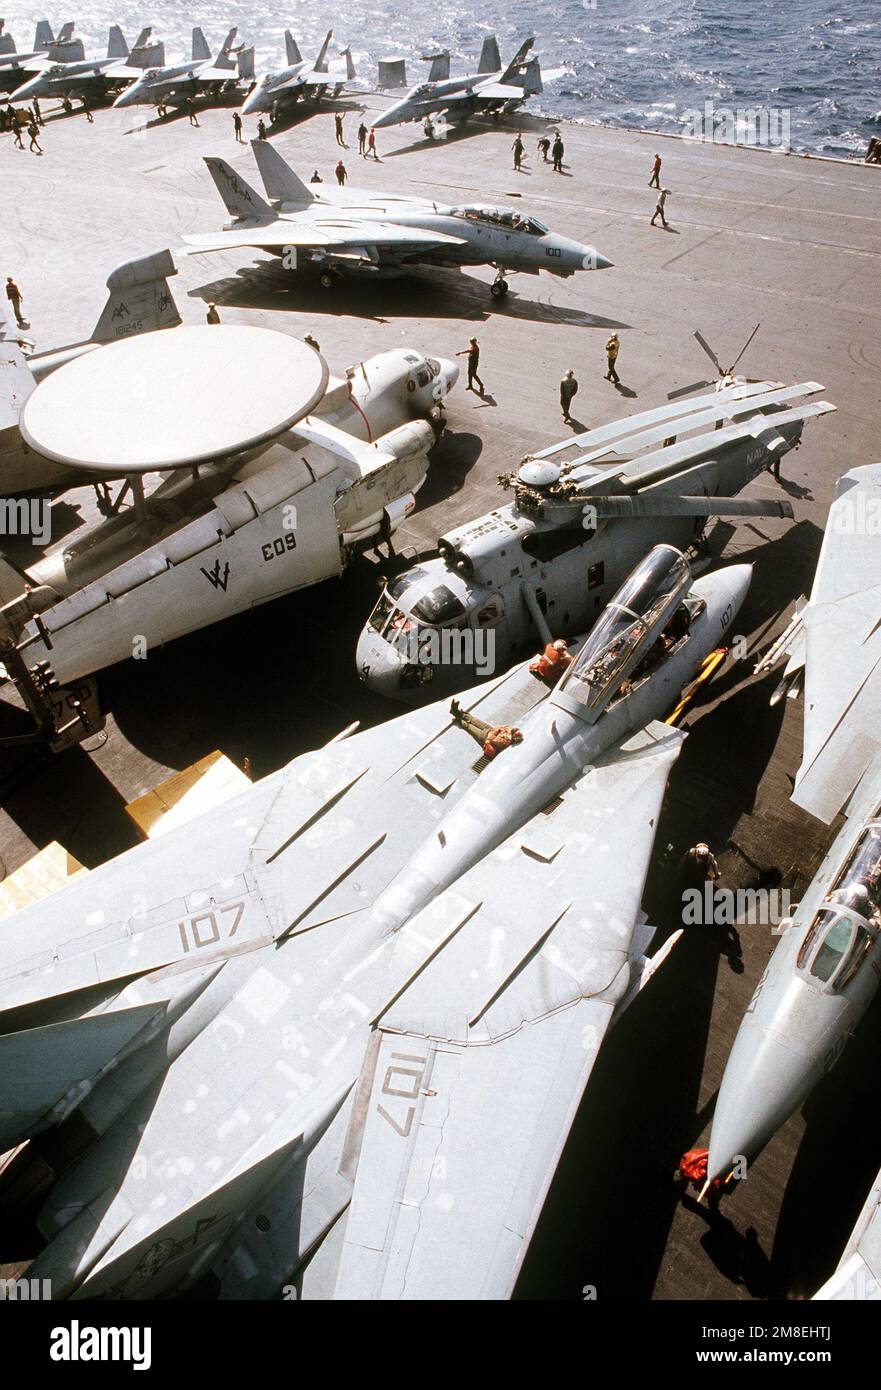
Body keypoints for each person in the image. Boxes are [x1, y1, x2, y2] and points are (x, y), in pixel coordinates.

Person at [450, 700, 523, 760]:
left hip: (485, 737)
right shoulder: (509, 730)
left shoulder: (505, 742)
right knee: (473, 720)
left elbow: (492, 738)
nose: (516, 730)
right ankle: (458, 712)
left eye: (516, 733)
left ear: (514, 737)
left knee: (469, 727)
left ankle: (456, 715)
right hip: (489, 728)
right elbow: (502, 726)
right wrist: (497, 730)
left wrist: (497, 731)